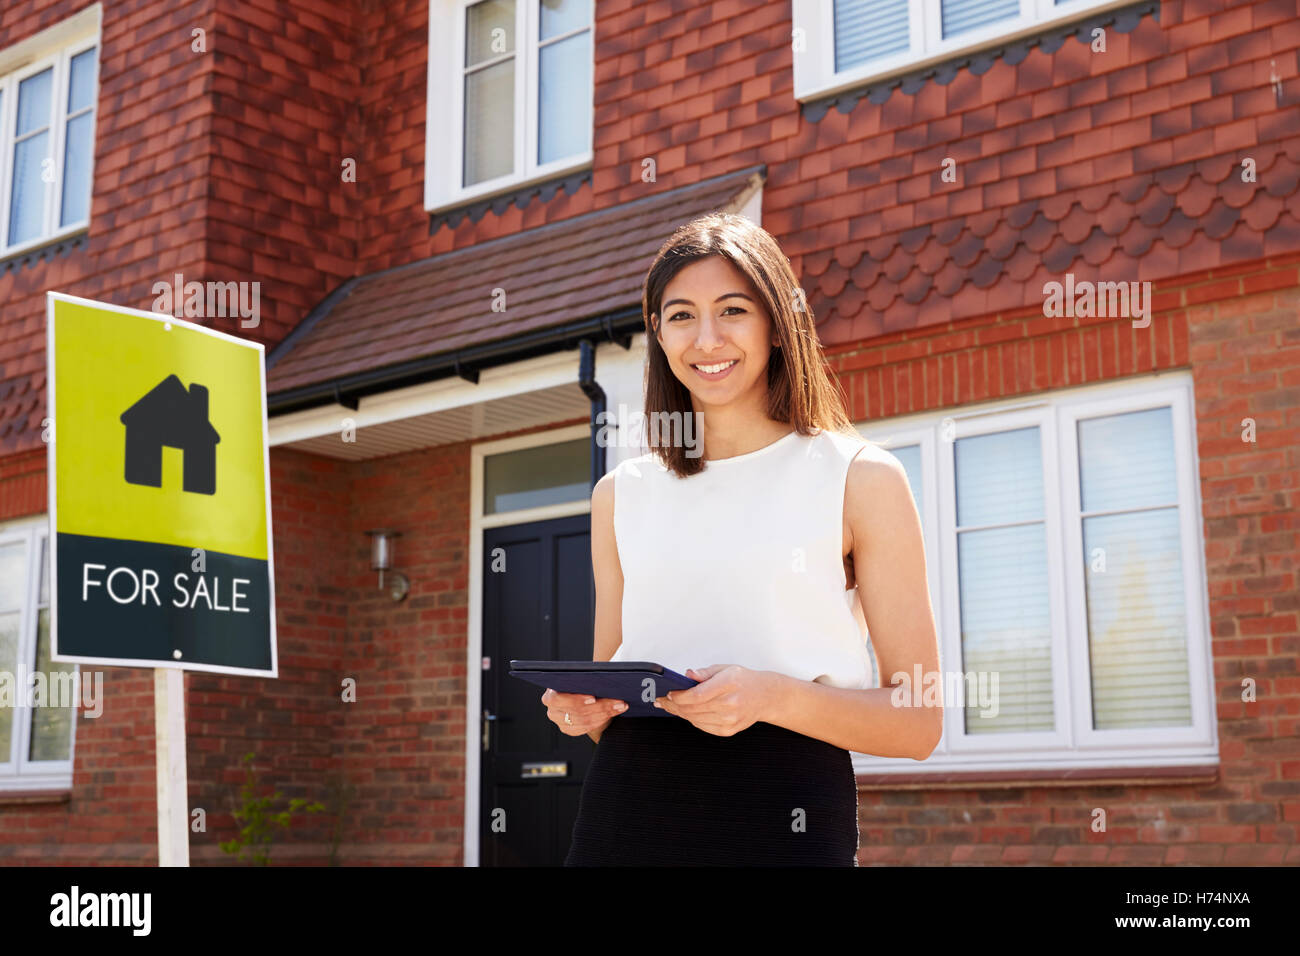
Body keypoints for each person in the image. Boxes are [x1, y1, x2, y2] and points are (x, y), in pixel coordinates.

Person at [541, 212, 941, 866]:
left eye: (732, 310)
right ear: (658, 335)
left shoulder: (859, 478)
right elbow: (611, 691)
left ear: (778, 326)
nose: (706, 338)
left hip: (784, 816)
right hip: (625, 815)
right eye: (679, 316)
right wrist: (584, 713)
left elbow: (919, 723)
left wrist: (772, 696)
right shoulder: (620, 495)